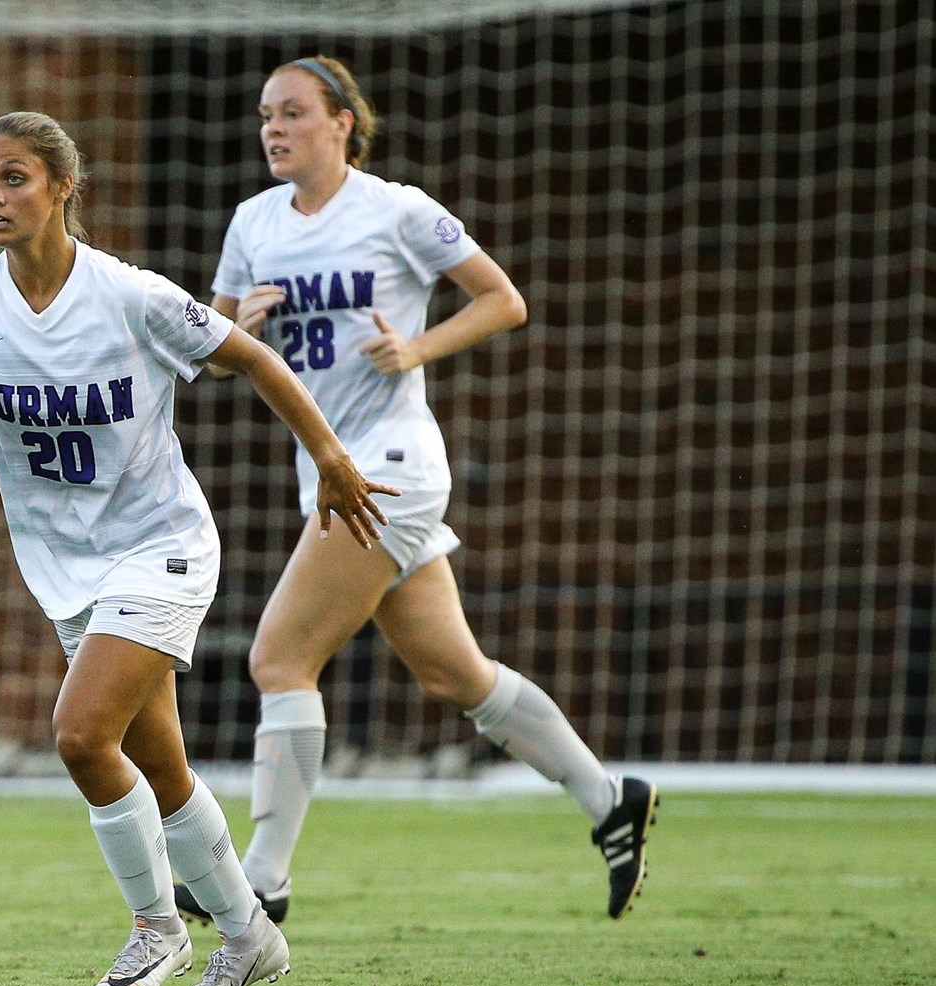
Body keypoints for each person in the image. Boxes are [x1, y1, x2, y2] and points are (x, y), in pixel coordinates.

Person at [0, 111, 396, 986]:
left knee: (79, 734)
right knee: (162, 768)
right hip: (67, 573)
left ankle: (156, 931)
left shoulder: (129, 294)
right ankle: (250, 936)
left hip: (162, 547)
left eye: (13, 177)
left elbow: (252, 358)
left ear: (63, 186)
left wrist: (331, 457)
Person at [174, 55, 658, 926]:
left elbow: (502, 300)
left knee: (278, 658)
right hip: (326, 471)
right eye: (264, 116)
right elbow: (212, 341)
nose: (273, 130)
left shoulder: (396, 209)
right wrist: (237, 328)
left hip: (389, 466)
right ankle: (609, 796)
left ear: (342, 123)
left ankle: (262, 882)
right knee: (454, 674)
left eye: (291, 113)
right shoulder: (253, 221)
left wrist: (417, 349)